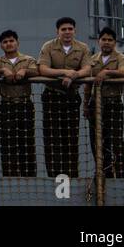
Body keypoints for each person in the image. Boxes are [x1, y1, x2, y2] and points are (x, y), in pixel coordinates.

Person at [37, 17, 92, 179]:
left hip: (71, 97)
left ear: (74, 31)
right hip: (52, 97)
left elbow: (87, 69)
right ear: (58, 32)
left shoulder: (83, 48)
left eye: (70, 29)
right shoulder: (48, 47)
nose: (67, 32)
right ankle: (53, 176)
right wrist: (64, 73)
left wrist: (74, 75)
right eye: (63, 29)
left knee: (71, 138)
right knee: (52, 138)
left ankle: (71, 177)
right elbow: (43, 69)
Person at [83, 27, 124, 178]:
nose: (107, 43)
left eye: (110, 40)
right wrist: (85, 104)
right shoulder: (93, 59)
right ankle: (104, 173)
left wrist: (107, 72)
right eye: (104, 39)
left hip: (113, 102)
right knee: (96, 141)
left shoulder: (120, 58)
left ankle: (123, 174)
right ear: (99, 41)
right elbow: (88, 84)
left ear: (115, 42)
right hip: (95, 103)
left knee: (115, 140)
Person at [0, 30, 38, 178]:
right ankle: (9, 176)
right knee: (7, 144)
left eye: (11, 41)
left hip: (25, 105)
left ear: (17, 42)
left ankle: (29, 176)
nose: (9, 44)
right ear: (1, 45)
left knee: (27, 142)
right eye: (5, 42)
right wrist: (3, 70)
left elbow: (37, 70)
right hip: (6, 105)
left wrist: (24, 71)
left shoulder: (28, 59)